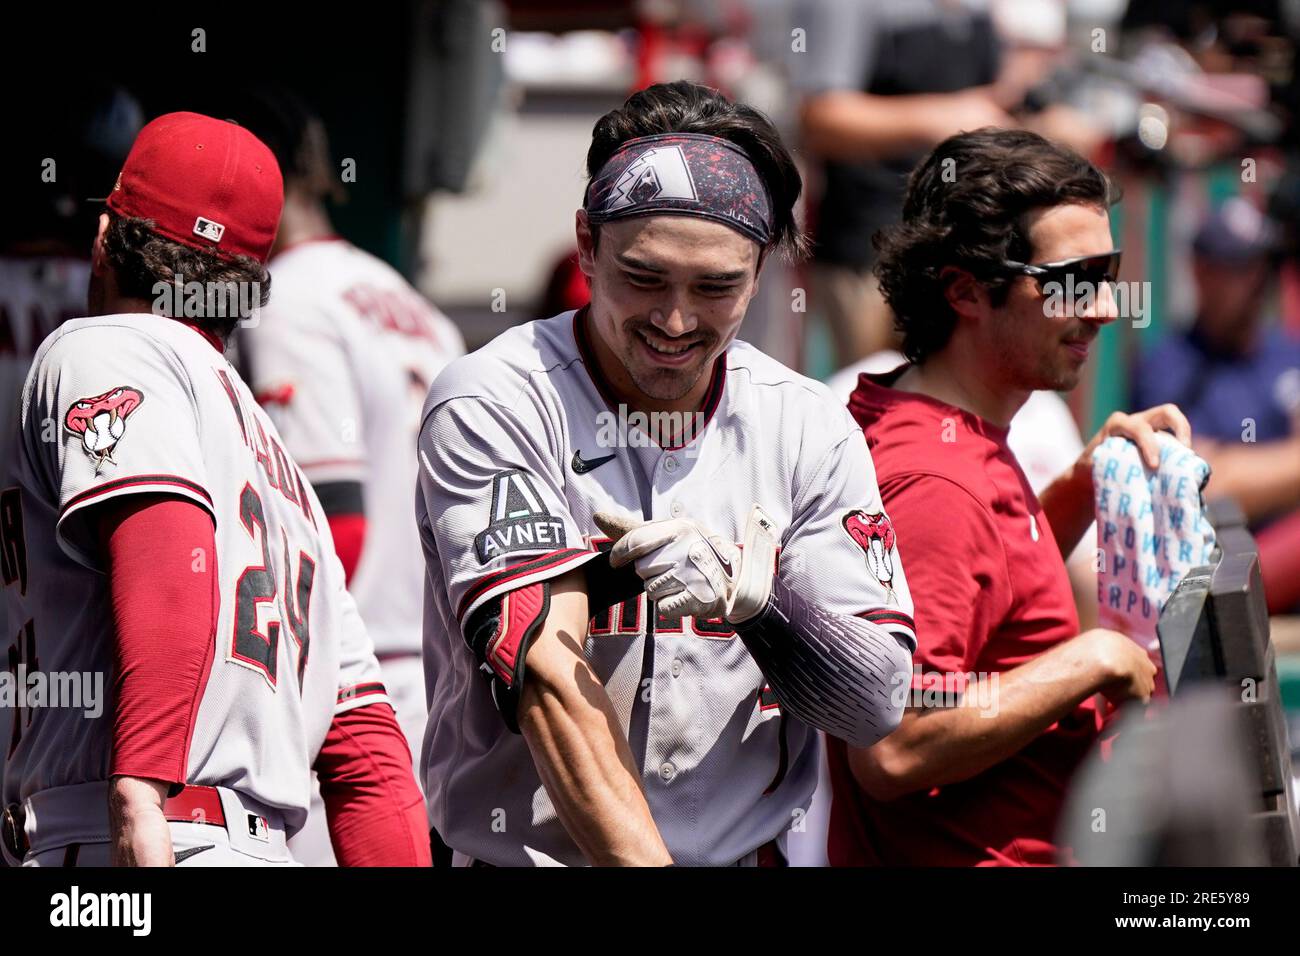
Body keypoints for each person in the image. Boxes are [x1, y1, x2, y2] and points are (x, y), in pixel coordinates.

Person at [416, 80, 916, 867]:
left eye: (716, 287)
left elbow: (875, 706)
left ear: (763, 271)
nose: (675, 321)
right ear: (586, 244)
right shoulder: (496, 397)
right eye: (643, 277)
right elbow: (550, 681)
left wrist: (765, 610)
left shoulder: (806, 423)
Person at [0, 112, 429, 867]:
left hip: (127, 837)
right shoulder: (282, 471)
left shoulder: (107, 345)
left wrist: (139, 789)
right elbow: (366, 749)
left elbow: (166, 550)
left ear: (105, 241)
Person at [830, 128, 1188, 866]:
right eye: (1071, 280)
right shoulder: (938, 481)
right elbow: (893, 746)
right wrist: (1091, 660)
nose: (1104, 308)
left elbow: (985, 592)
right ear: (964, 289)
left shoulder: (936, 423)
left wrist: (1076, 492)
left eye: (1108, 272)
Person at [230, 88, 464, 865]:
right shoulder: (409, 299)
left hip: (352, 688)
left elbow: (336, 527)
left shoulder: (285, 299)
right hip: (436, 676)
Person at [789, 0, 1011, 366]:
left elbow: (992, 100)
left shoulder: (979, 11)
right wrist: (938, 118)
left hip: (962, 248)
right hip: (868, 256)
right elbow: (819, 120)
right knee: (873, 403)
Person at [1131, 198, 1300, 525]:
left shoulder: (1289, 353)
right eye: (1239, 267)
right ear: (1200, 271)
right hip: (1220, 564)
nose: (1256, 282)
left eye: (1264, 265)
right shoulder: (1169, 370)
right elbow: (1205, 484)